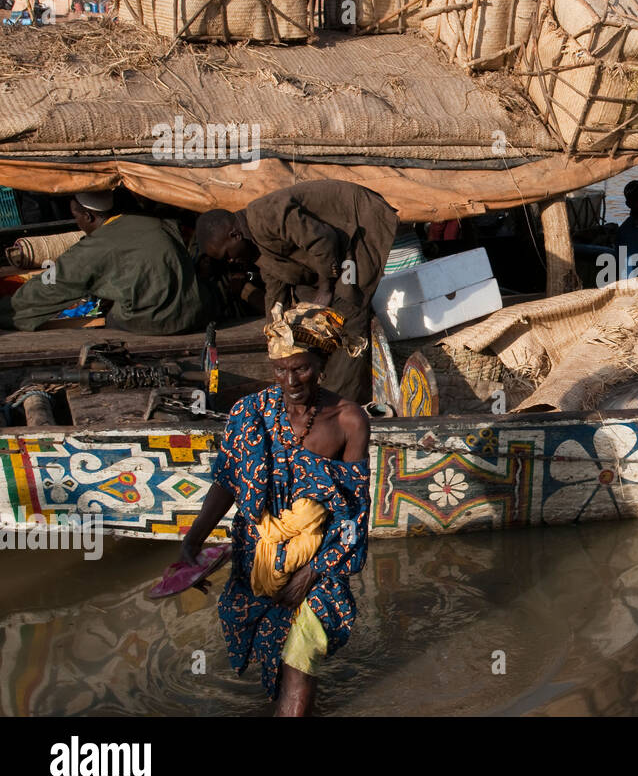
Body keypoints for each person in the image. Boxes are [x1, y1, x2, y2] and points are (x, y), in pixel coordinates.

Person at [178, 303, 371, 716]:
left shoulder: (349, 420)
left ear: (321, 365)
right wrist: (193, 541)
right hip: (259, 556)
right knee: (276, 654)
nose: (290, 381)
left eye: (300, 369)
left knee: (301, 658)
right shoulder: (250, 413)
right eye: (280, 370)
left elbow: (353, 513)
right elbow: (228, 481)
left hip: (320, 558)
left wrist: (310, 572)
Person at [195, 182, 399, 403]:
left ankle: (338, 404)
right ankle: (319, 380)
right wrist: (274, 335)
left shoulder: (267, 216)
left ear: (235, 235)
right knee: (307, 313)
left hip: (357, 226)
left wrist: (325, 288)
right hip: (330, 252)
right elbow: (275, 290)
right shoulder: (253, 248)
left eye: (227, 255)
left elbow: (324, 240)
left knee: (345, 315)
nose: (231, 261)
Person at [0, 190, 211, 334]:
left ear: (88, 216)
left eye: (76, 216)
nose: (77, 222)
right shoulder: (156, 223)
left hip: (158, 323)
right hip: (198, 311)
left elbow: (51, 287)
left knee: (111, 319)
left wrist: (6, 309)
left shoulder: (93, 248)